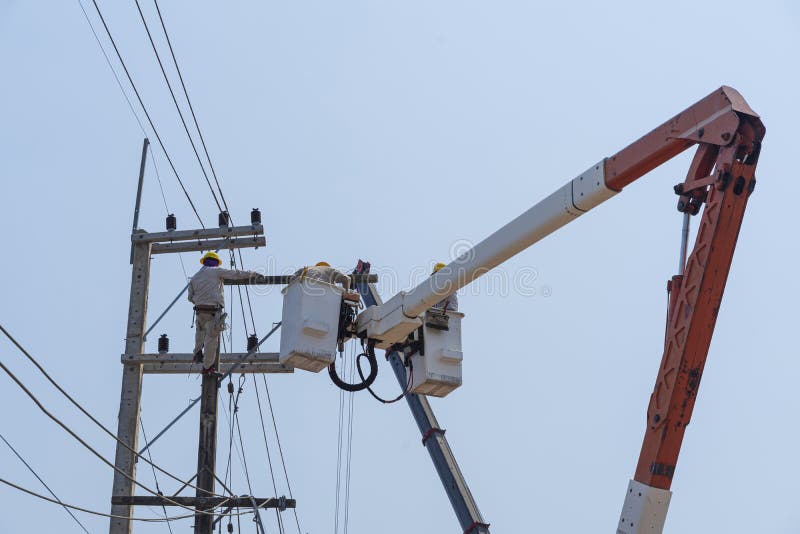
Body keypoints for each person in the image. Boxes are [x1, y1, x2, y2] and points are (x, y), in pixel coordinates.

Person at [189, 251, 257, 373]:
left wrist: (200, 301)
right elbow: (236, 274)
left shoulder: (195, 277)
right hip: (213, 311)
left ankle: (197, 353)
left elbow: (190, 297)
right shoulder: (216, 271)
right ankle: (207, 367)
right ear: (215, 263)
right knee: (211, 339)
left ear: (204, 262)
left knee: (200, 332)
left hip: (199, 310)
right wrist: (252, 274)